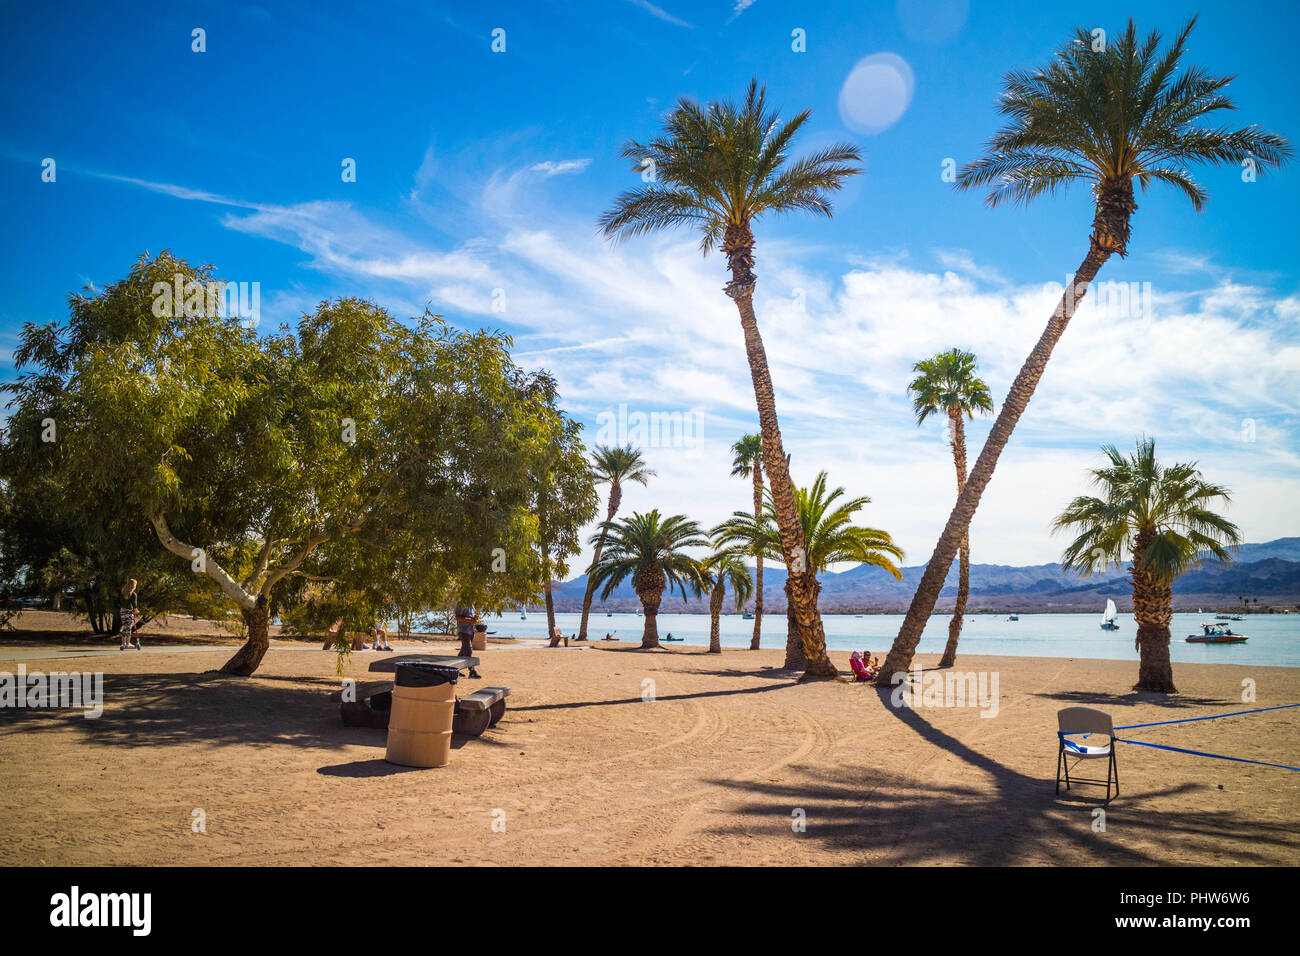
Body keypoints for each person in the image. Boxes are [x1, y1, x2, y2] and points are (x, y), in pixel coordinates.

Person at [454, 602, 483, 679]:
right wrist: (470, 620)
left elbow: (471, 618)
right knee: (468, 650)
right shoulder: (461, 603)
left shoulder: (472, 605)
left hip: (470, 631)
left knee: (463, 651)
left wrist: (475, 618)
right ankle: (472, 671)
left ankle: (455, 670)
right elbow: (458, 617)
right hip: (463, 631)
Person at [120, 579, 141, 651]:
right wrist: (136, 611)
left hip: (122, 611)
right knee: (128, 627)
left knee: (124, 627)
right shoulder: (133, 594)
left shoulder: (123, 592)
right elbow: (134, 606)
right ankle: (128, 643)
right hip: (129, 611)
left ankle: (123, 643)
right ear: (134, 586)